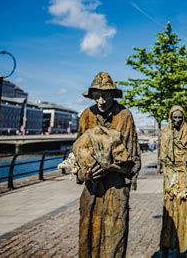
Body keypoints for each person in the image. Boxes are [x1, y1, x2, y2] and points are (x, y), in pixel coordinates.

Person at [76, 72, 141, 258]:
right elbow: (77, 156)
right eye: (96, 95)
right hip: (92, 190)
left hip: (116, 189)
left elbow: (134, 163)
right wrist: (84, 173)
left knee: (113, 242)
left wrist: (110, 166)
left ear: (113, 94)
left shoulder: (125, 116)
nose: (101, 100)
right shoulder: (86, 116)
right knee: (88, 240)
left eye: (105, 95)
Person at [159, 106, 187, 257]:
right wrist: (168, 180)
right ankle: (166, 246)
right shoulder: (166, 132)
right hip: (170, 173)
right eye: (175, 117)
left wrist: (186, 181)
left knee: (185, 209)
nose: (177, 120)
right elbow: (163, 158)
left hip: (184, 174)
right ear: (170, 118)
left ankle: (186, 246)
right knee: (170, 209)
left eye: (180, 117)